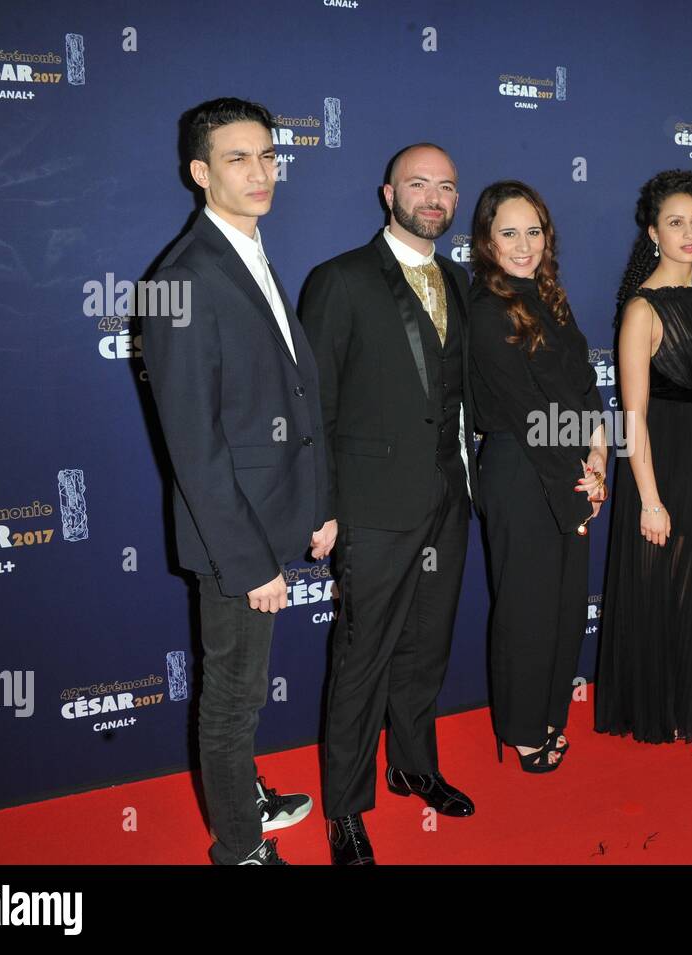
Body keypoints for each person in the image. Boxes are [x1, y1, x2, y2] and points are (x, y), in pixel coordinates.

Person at [141, 97, 333, 865]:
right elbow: (194, 445)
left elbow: (293, 392)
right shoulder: (183, 279)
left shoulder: (247, 251)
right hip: (233, 540)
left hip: (273, 513)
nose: (260, 172)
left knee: (244, 688)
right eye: (237, 158)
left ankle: (244, 798)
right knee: (233, 696)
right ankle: (240, 849)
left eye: (268, 156)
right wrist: (250, 561)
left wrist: (320, 505)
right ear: (200, 172)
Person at [301, 143, 478, 865]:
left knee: (426, 644)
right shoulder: (339, 280)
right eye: (418, 184)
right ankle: (346, 808)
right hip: (371, 506)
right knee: (362, 656)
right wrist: (323, 507)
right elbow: (313, 407)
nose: (433, 197)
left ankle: (413, 764)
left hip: (448, 495)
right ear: (388, 194)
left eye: (446, 186)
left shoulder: (460, 281)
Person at [595, 169, 692, 746]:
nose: (690, 233)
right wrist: (650, 501)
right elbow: (633, 416)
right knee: (660, 581)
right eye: (676, 223)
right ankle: (656, 705)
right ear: (653, 234)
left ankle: (686, 696)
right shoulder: (643, 309)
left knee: (691, 581)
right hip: (655, 465)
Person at [467, 181, 606, 772]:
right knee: (527, 607)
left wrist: (598, 457)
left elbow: (583, 383)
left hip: (569, 463)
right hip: (522, 472)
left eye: (534, 231)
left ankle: (551, 713)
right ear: (487, 240)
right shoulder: (486, 309)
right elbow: (527, 413)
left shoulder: (549, 296)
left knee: (565, 605)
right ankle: (523, 731)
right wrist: (579, 483)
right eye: (509, 233)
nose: (524, 245)